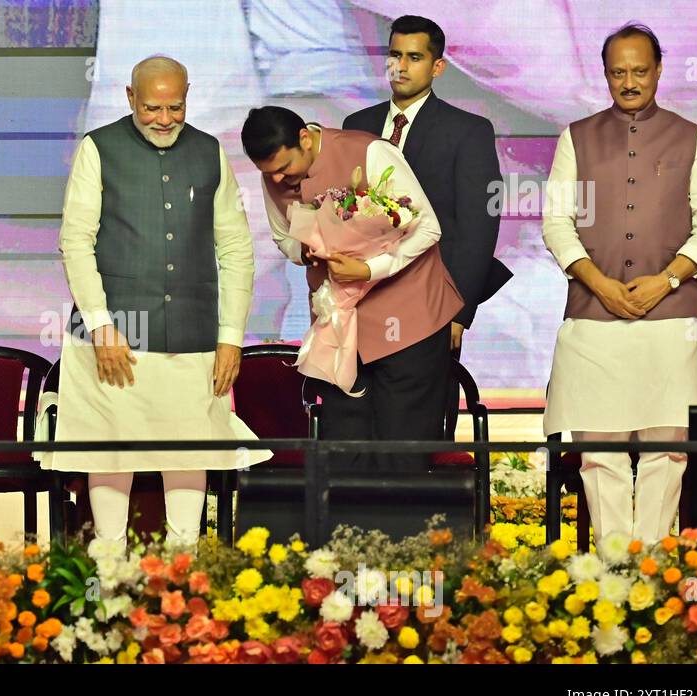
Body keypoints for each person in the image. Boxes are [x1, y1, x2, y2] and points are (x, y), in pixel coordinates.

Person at [43, 56, 271, 549]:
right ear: (129, 98)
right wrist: (102, 326)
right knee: (110, 453)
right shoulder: (97, 148)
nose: (164, 119)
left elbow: (235, 248)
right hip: (113, 334)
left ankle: (182, 582)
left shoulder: (209, 151)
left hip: (192, 332)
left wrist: (231, 337)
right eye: (152, 107)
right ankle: (107, 578)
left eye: (175, 107)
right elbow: (76, 241)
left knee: (189, 452)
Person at [542, 24, 697, 544]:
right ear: (604, 74)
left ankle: (654, 571)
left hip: (672, 319)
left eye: (639, 71)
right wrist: (598, 282)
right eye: (618, 72)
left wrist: (666, 280)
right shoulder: (575, 136)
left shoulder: (692, 137)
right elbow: (557, 222)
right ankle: (612, 572)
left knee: (668, 453)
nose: (629, 82)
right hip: (594, 318)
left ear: (659, 69)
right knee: (599, 454)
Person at [242, 105, 462, 471]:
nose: (278, 181)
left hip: (408, 320)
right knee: (344, 446)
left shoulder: (370, 152)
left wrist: (367, 267)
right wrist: (307, 251)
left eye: (284, 168)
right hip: (340, 325)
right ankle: (346, 528)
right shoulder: (273, 179)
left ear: (304, 138)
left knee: (402, 445)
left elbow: (427, 228)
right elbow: (284, 237)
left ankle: (404, 527)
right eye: (269, 174)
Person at [342, 14, 510, 356]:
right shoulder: (356, 124)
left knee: (424, 408)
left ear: (438, 67)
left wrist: (460, 313)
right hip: (363, 300)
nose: (400, 66)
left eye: (414, 57)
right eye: (395, 55)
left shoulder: (468, 131)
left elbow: (478, 230)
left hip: (433, 304)